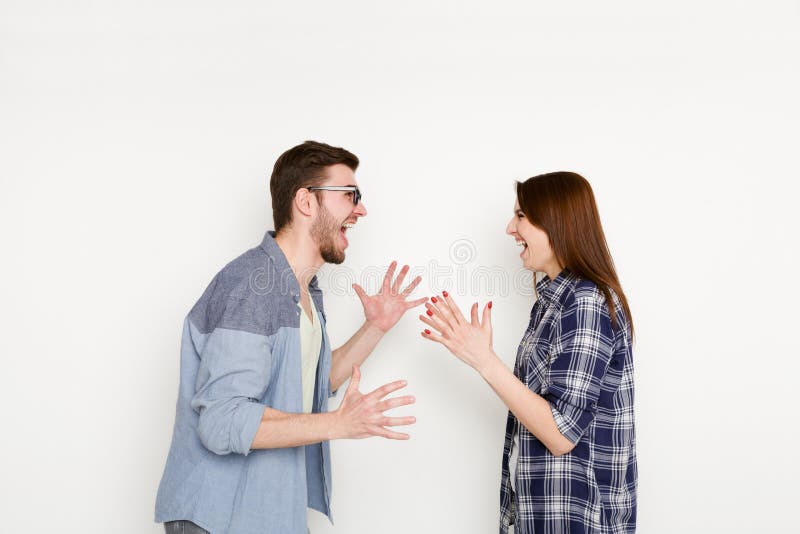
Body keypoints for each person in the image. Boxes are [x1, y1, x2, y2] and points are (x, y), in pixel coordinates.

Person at [155, 141, 425, 534]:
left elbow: (310, 383)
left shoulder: (302, 289)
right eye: (350, 195)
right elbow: (222, 422)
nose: (361, 209)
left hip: (266, 509)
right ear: (305, 201)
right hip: (219, 516)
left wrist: (375, 328)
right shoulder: (253, 285)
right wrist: (336, 424)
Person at [420, 171, 637, 533]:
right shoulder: (551, 303)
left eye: (521, 216)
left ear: (556, 222)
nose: (509, 228)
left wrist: (483, 360)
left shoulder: (585, 303)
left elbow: (560, 434)